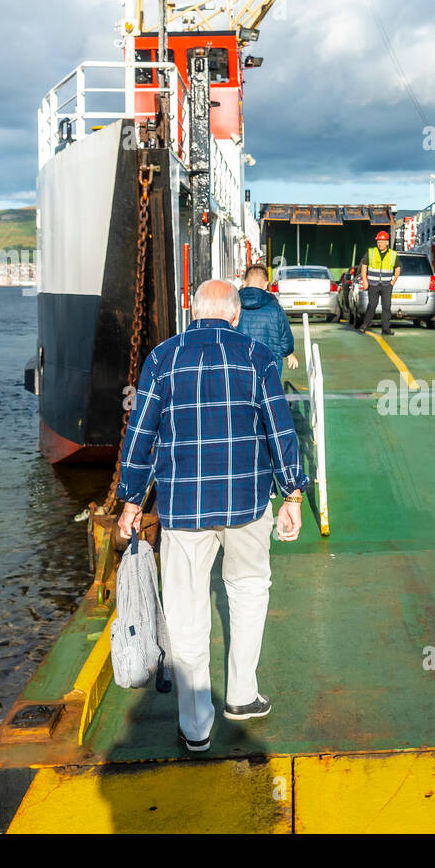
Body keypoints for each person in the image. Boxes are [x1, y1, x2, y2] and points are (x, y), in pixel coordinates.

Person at [116, 280, 308, 752]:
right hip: (247, 505)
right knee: (246, 593)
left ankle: (195, 725)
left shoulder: (161, 359)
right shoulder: (258, 358)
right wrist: (293, 495)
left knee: (186, 611)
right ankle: (241, 697)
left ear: (193, 312)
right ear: (236, 316)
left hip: (183, 508)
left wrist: (131, 499)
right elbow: (279, 428)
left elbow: (141, 433)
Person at [237, 263, 298, 374]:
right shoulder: (275, 307)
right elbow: (285, 339)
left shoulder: (233, 305)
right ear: (266, 285)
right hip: (269, 368)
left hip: (239, 366)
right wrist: (289, 353)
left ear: (244, 283)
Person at [358, 229, 401, 335]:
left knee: (386, 306)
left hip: (387, 285)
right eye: (378, 242)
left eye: (382, 242)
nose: (380, 244)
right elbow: (364, 266)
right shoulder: (371, 252)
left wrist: (393, 281)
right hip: (373, 284)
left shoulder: (393, 254)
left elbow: (397, 268)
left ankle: (385, 328)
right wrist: (365, 281)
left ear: (387, 242)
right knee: (372, 305)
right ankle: (365, 325)